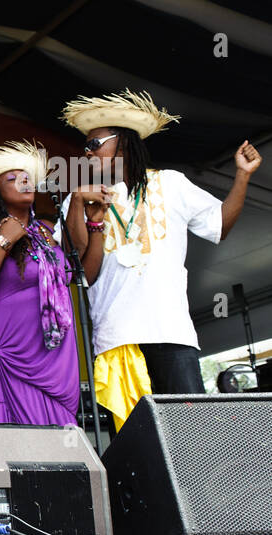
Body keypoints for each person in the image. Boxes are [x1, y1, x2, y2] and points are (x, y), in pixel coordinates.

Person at [59, 90, 262, 428]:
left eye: (95, 144)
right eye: (86, 147)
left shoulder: (170, 183)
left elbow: (219, 226)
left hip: (171, 331)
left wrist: (242, 176)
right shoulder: (78, 197)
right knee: (137, 444)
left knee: (189, 434)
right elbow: (79, 270)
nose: (87, 153)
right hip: (117, 336)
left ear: (122, 142)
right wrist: (81, 206)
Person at [0, 141, 77, 425]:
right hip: (16, 353)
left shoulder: (48, 230)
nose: (24, 182)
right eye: (12, 179)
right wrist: (4, 240)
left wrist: (94, 225)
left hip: (57, 356)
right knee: (27, 438)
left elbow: (78, 275)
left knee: (65, 437)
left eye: (27, 177)